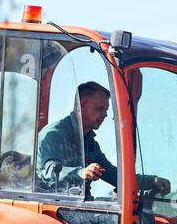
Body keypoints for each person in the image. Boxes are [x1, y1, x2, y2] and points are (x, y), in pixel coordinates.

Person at [37, 81, 170, 197]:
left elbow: (114, 175)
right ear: (82, 106)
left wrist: (152, 181)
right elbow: (48, 172)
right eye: (100, 109)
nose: (105, 115)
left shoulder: (91, 144)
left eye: (106, 110)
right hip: (53, 208)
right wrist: (80, 172)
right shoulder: (54, 134)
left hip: (78, 207)